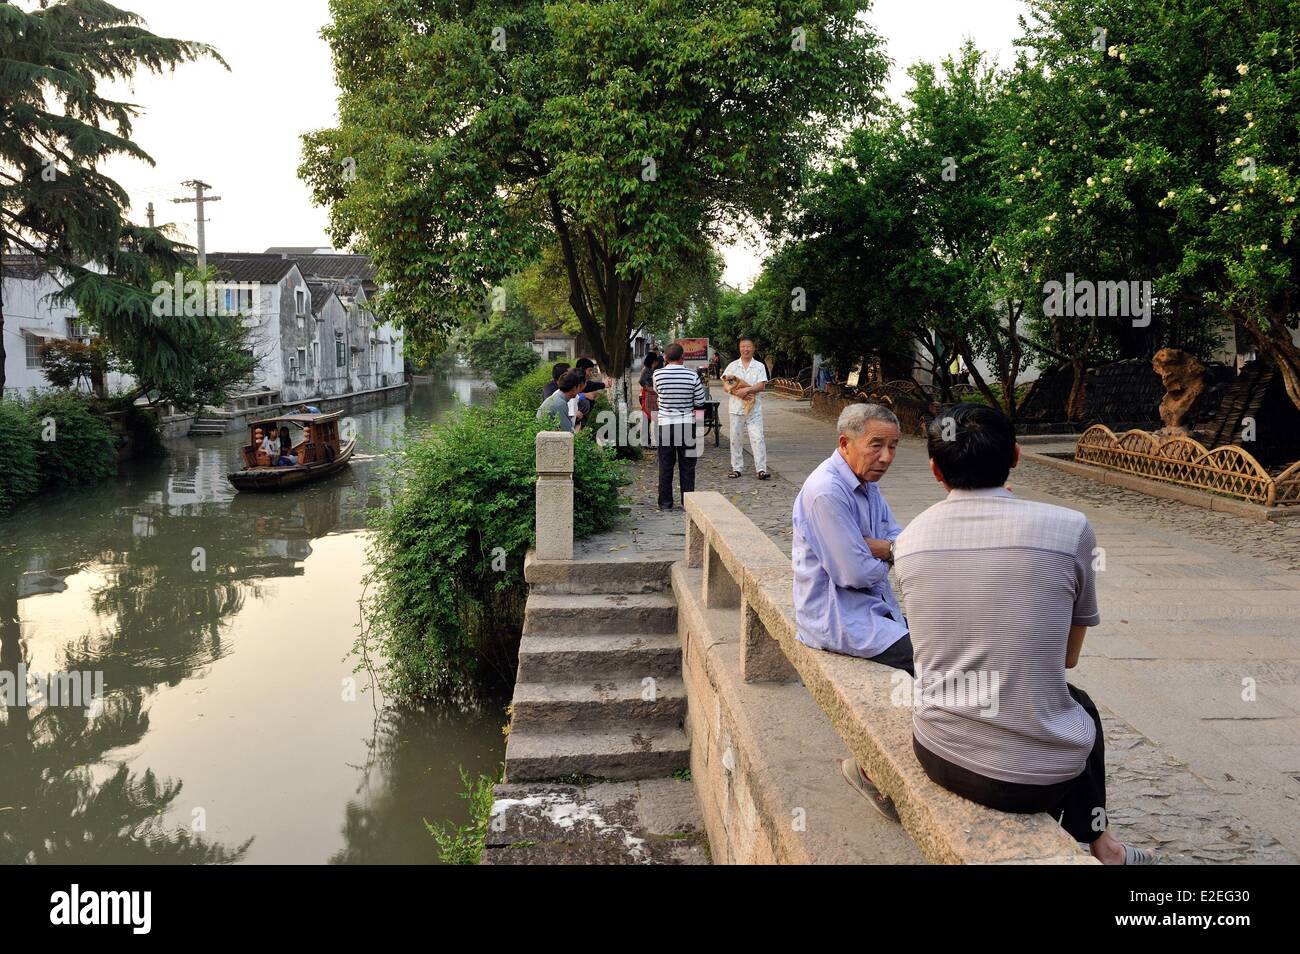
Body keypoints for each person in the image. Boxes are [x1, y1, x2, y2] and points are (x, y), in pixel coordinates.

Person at [894, 403, 1154, 865]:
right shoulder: (1070, 529)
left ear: (935, 470)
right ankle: (1105, 847)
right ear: (1016, 455)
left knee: (1063, 706)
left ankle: (1106, 847)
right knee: (1079, 709)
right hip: (1036, 780)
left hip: (938, 751)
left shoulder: (910, 540)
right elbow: (1067, 659)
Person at [792, 402, 911, 819]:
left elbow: (897, 538)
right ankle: (871, 768)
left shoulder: (866, 482)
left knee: (953, 646)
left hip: (873, 612)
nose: (886, 458)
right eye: (876, 445)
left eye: (893, 447)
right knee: (941, 664)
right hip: (840, 619)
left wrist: (880, 546)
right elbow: (854, 572)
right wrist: (883, 550)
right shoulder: (827, 491)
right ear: (845, 443)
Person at [652, 342, 705, 511]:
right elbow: (700, 402)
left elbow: (657, 393)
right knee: (687, 466)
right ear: (683, 357)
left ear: (665, 358)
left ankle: (665, 503)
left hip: (665, 425)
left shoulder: (657, 375)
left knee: (665, 465)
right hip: (686, 426)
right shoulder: (692, 376)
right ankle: (687, 503)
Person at [722, 337, 769, 479]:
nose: (746, 349)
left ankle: (761, 469)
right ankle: (737, 468)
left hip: (754, 409)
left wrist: (746, 391)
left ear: (753, 348)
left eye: (748, 346)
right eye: (743, 346)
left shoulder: (759, 366)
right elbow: (725, 384)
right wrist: (738, 393)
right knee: (735, 439)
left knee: (758, 438)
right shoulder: (732, 366)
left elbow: (762, 385)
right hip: (736, 408)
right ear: (739, 348)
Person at [639, 352, 662, 444]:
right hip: (647, 396)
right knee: (647, 418)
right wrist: (649, 388)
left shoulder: (651, 370)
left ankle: (650, 439)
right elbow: (641, 381)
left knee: (650, 418)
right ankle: (646, 440)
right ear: (654, 361)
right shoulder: (646, 370)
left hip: (652, 396)